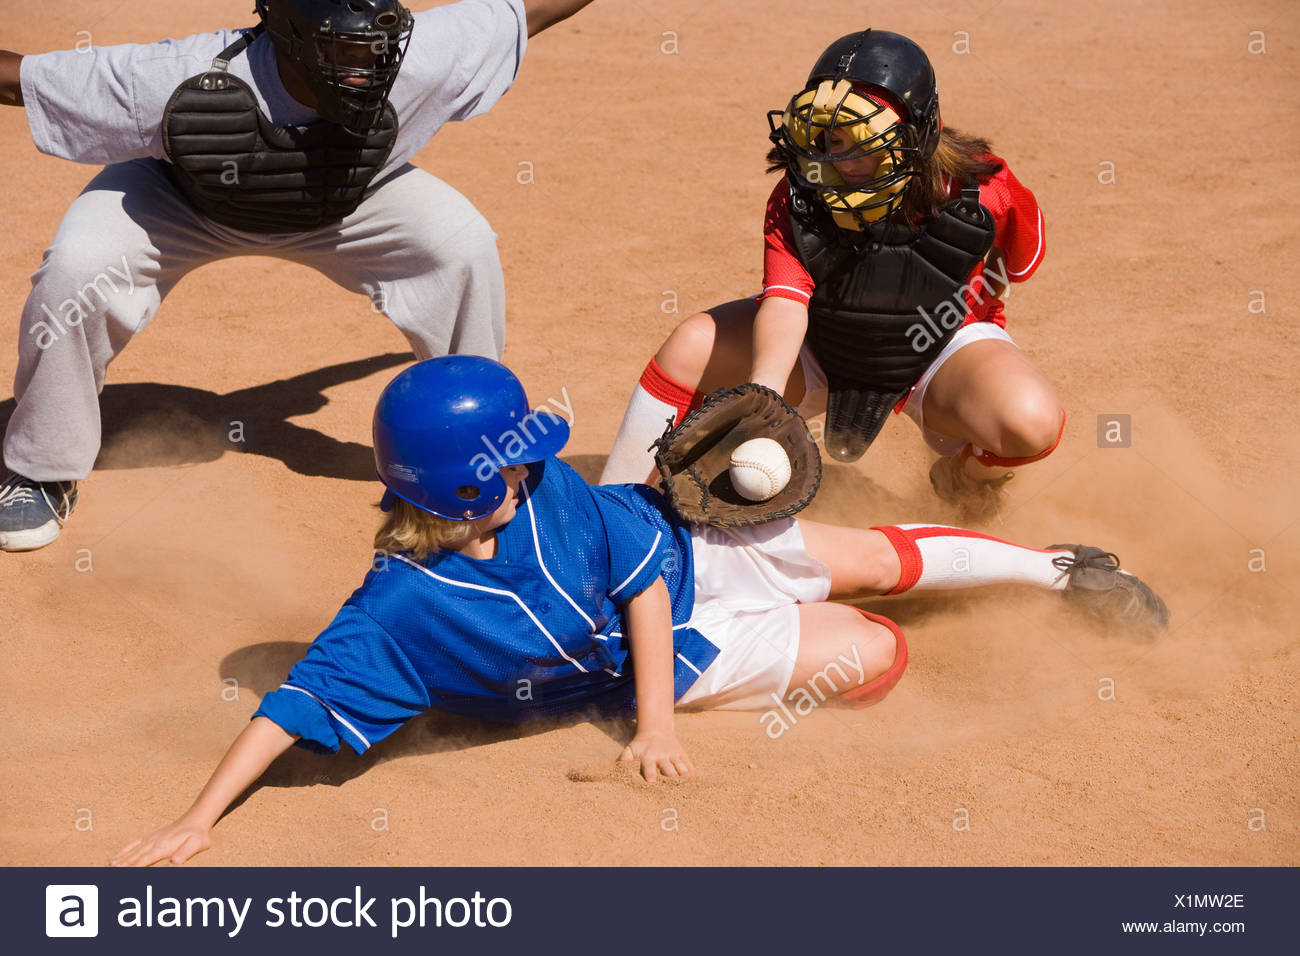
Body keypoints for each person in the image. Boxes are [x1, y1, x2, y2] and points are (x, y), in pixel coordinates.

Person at [113, 356, 1167, 867]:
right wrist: (196, 819)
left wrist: (653, 727)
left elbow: (641, 577)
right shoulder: (396, 611)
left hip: (691, 542)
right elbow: (292, 704)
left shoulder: (546, 489)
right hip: (692, 650)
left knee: (871, 559)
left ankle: (1060, 570)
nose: (535, 461)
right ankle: (831, 640)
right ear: (467, 487)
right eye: (515, 457)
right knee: (875, 656)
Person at [0, 0, 597, 552]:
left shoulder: (424, 52)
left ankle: (483, 450)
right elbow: (21, 80)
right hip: (179, 201)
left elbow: (535, 7)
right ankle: (40, 466)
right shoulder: (175, 76)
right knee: (77, 268)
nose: (367, 65)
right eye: (344, 50)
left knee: (459, 245)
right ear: (289, 37)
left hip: (348, 199)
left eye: (376, 47)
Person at [600, 28, 1056, 518]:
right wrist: (763, 399)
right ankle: (610, 513)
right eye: (832, 139)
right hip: (821, 344)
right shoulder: (800, 194)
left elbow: (1017, 263)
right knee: (691, 344)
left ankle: (963, 481)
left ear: (918, 134)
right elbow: (786, 301)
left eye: (865, 144)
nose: (842, 161)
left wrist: (971, 305)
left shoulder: (985, 190)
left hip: (938, 350)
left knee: (1031, 421)